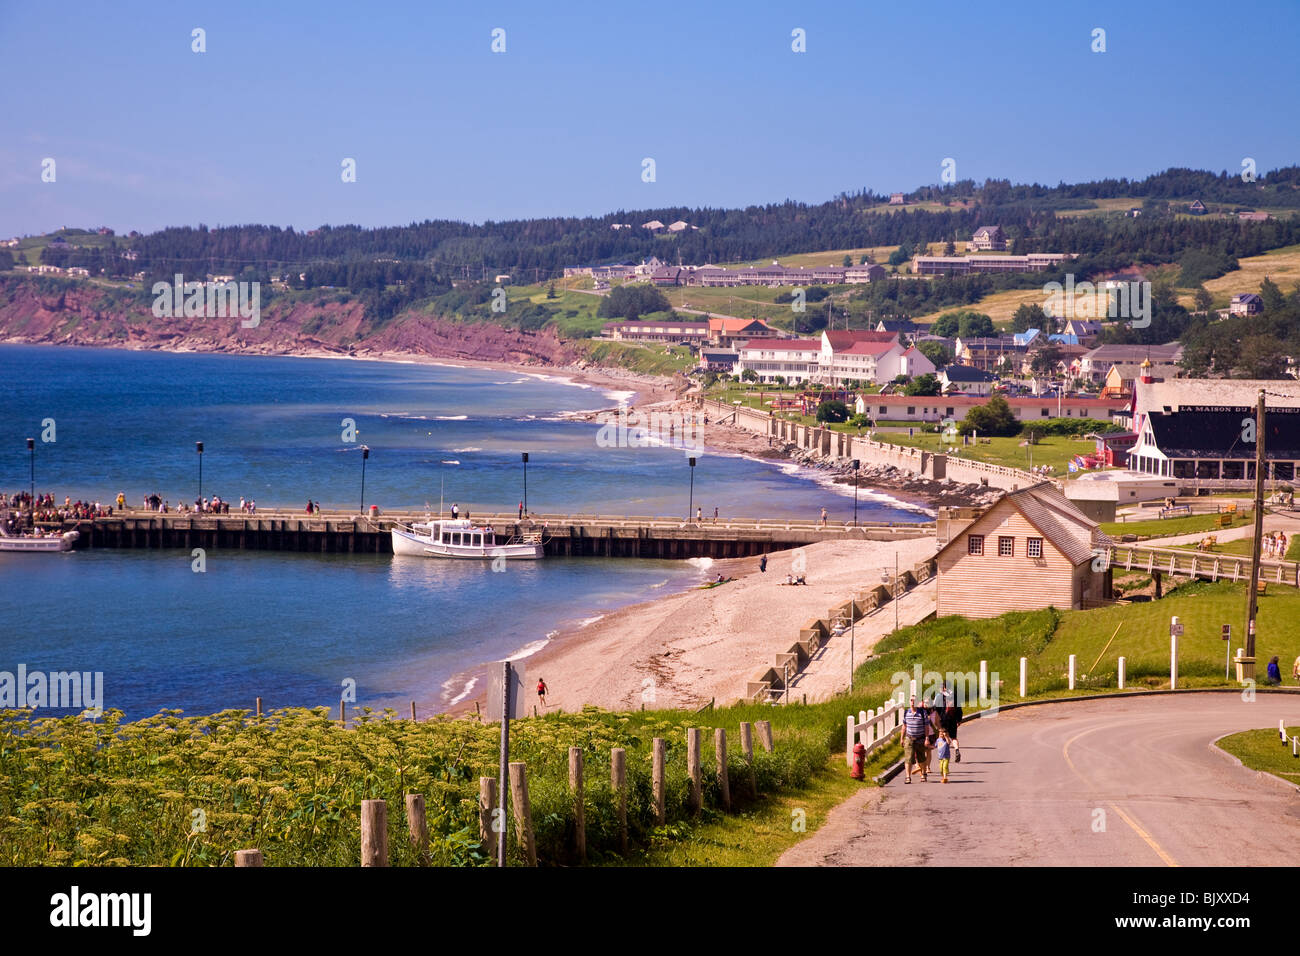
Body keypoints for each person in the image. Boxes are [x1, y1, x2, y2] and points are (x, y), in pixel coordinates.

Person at [902, 697, 928, 783]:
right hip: (909, 738)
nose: (912, 702)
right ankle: (908, 777)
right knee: (908, 758)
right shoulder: (906, 712)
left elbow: (926, 727)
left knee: (922, 758)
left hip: (920, 738)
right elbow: (904, 726)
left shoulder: (922, 712)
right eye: (911, 700)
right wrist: (901, 738)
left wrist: (927, 738)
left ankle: (924, 774)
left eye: (914, 700)